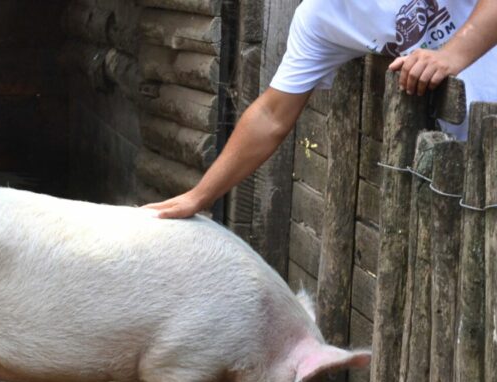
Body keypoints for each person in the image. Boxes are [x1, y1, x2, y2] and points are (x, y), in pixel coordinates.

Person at [145, 0, 497, 219]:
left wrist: (452, 54)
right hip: (466, 172)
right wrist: (199, 196)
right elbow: (270, 115)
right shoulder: (320, 15)